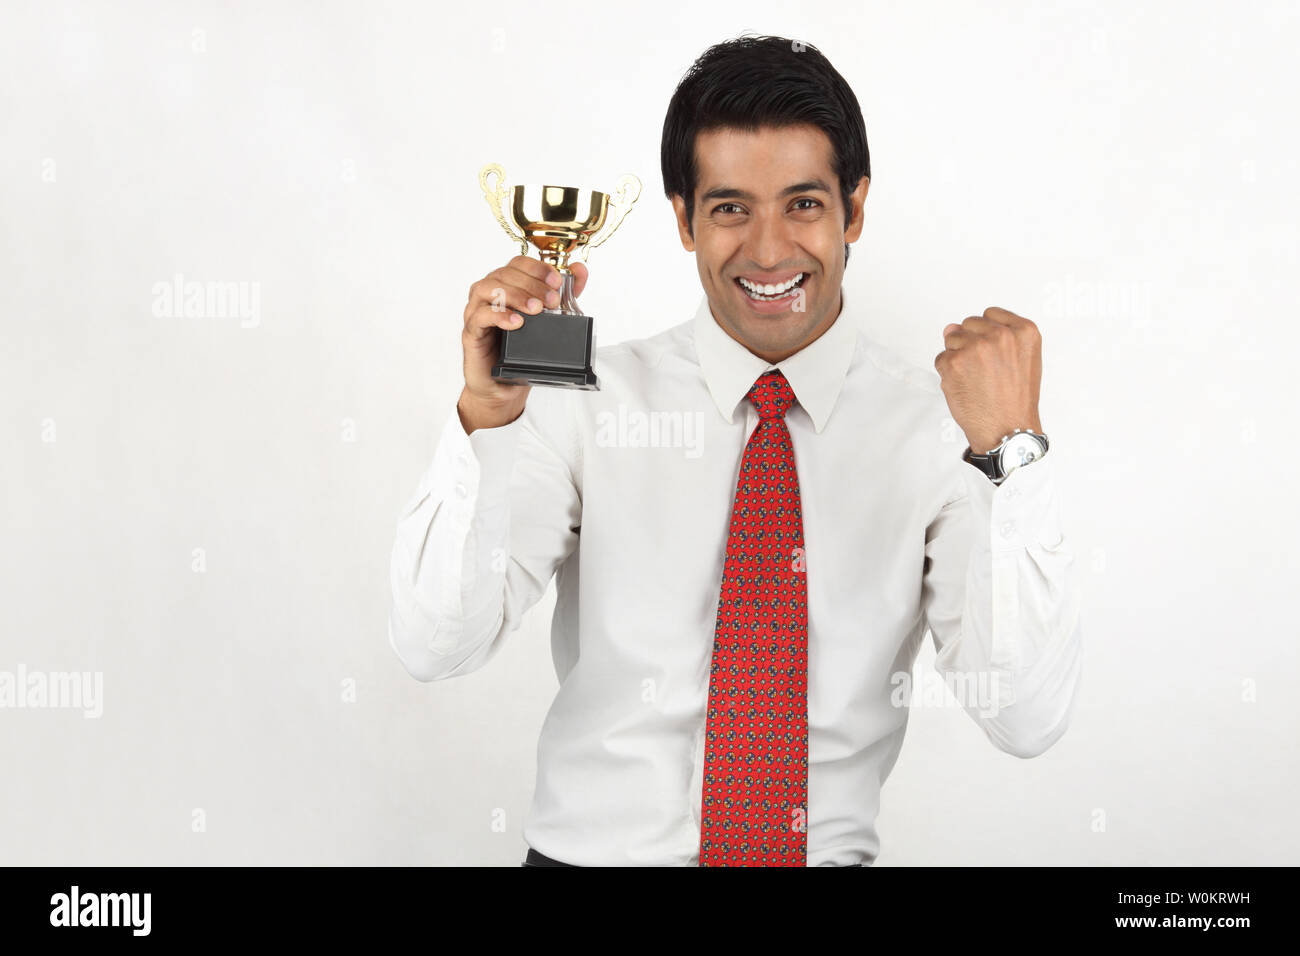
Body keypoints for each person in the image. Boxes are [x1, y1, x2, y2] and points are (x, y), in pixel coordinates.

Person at [387, 34, 1082, 867]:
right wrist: (485, 418)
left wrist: (1015, 455)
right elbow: (435, 645)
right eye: (729, 209)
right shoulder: (584, 403)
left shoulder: (943, 432)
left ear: (854, 208)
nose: (766, 250)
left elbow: (1026, 718)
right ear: (683, 219)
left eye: (803, 204)